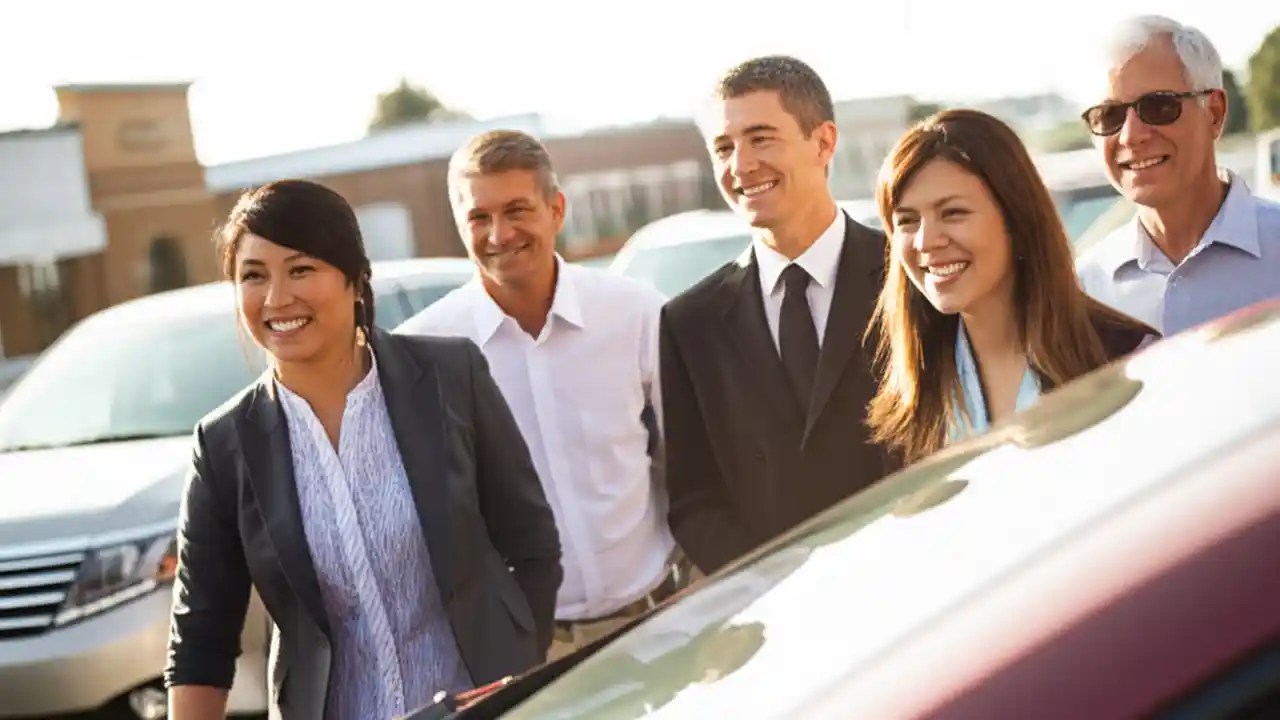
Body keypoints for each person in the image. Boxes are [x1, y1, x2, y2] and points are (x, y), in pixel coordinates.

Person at [164, 180, 562, 720]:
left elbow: (532, 543)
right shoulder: (224, 445)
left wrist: (518, 664)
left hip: (484, 706)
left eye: (301, 269)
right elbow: (200, 641)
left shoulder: (449, 377)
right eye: (253, 275)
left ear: (354, 280)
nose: (277, 298)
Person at [396, 130, 685, 661]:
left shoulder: (636, 312)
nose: (499, 234)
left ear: (556, 209)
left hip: (662, 624)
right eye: (478, 217)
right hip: (528, 653)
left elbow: (692, 459)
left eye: (516, 210)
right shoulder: (423, 350)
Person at [659, 55, 891, 575]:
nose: (739, 166)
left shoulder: (906, 277)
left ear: (824, 142)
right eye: (723, 147)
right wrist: (769, 582)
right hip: (778, 611)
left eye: (760, 138)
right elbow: (694, 500)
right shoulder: (688, 322)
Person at [868, 109, 1157, 464]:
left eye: (953, 213)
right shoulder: (906, 398)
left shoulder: (1129, 359)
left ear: (1017, 220)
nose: (926, 241)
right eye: (907, 221)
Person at [1075, 15, 1280, 336]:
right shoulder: (1084, 291)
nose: (1131, 136)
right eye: (1109, 115)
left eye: (1158, 106)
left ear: (1214, 112)